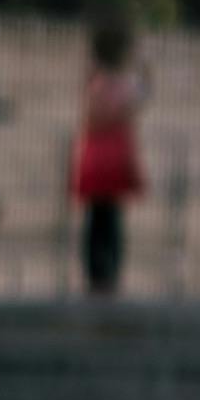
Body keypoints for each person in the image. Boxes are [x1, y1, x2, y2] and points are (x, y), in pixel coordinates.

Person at [68, 23, 147, 295]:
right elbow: (101, 115)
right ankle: (98, 275)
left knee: (108, 219)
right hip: (103, 157)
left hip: (110, 158)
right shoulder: (102, 84)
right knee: (100, 219)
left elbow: (134, 103)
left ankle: (107, 274)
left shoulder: (109, 83)